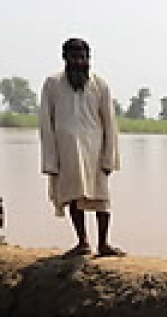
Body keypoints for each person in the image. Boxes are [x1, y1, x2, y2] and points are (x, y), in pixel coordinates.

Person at [39, 38, 123, 258]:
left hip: (95, 152)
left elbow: (110, 123)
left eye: (83, 57)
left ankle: (104, 244)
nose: (79, 61)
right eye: (74, 57)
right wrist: (50, 160)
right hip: (66, 151)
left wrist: (109, 158)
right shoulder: (52, 84)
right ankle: (83, 242)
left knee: (101, 198)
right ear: (65, 58)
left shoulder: (100, 85)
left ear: (88, 59)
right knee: (74, 196)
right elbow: (46, 124)